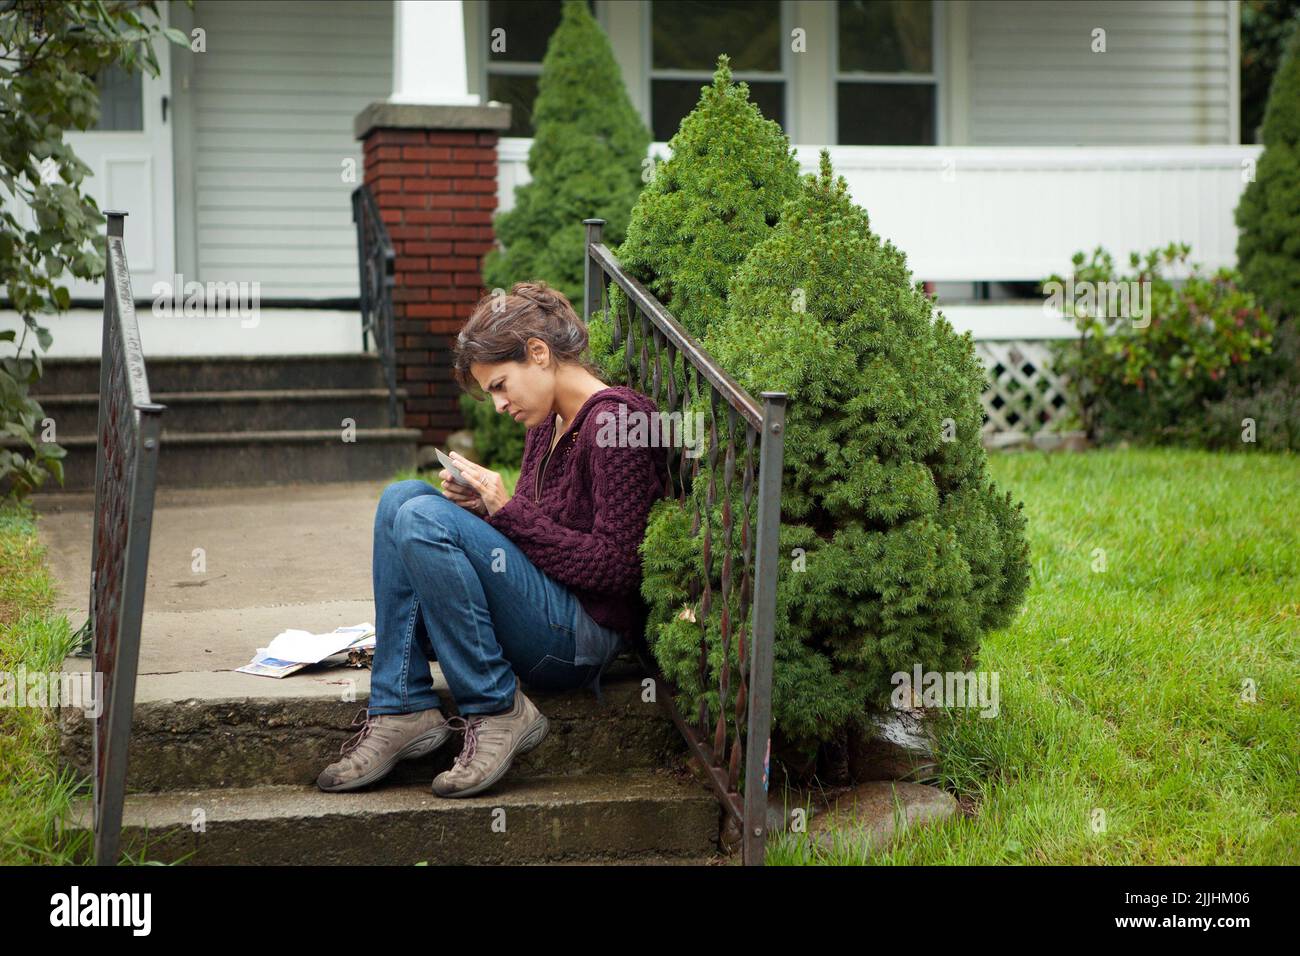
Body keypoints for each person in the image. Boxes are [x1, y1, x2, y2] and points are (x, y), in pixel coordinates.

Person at [316, 281, 669, 798]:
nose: (499, 404)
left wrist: (507, 512)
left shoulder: (619, 422)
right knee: (401, 497)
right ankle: (402, 706)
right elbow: (534, 537)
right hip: (541, 607)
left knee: (421, 518)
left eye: (502, 385)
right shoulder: (546, 425)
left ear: (540, 353)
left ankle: (497, 708)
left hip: (579, 639)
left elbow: (619, 567)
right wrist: (487, 510)